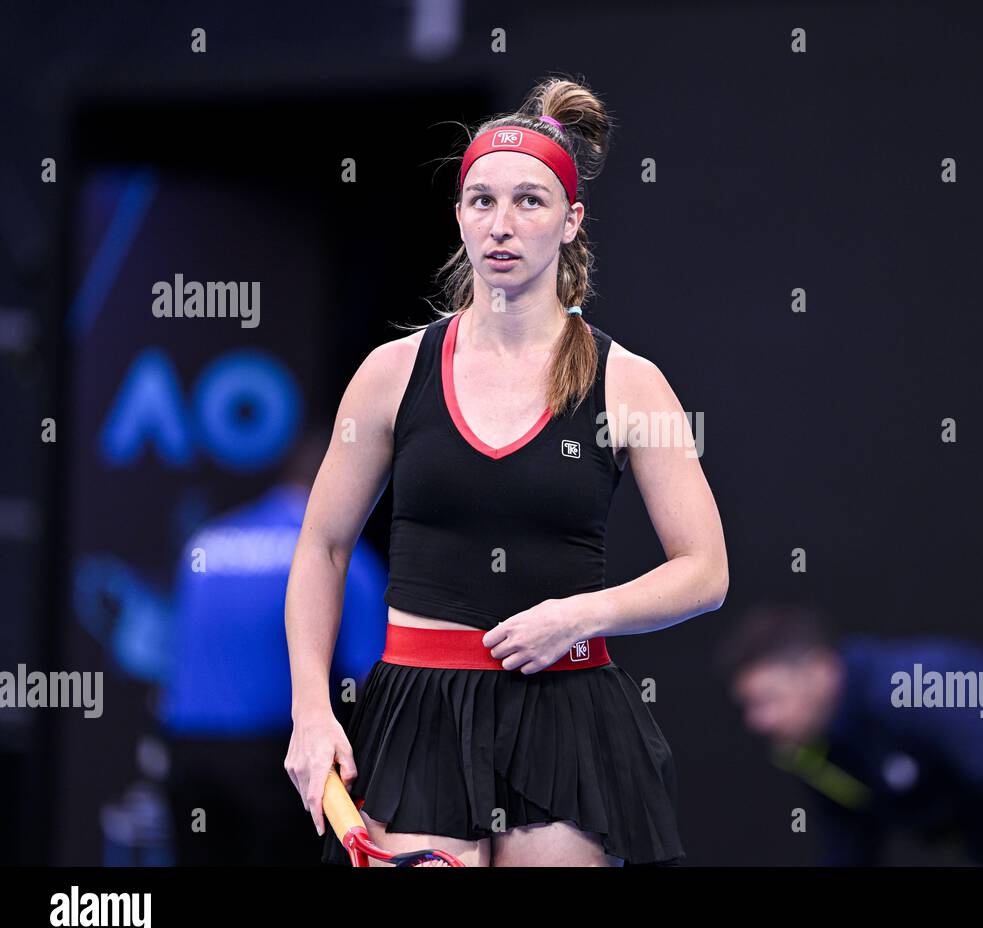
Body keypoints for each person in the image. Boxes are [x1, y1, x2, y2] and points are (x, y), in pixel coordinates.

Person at [284, 76, 728, 867]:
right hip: (416, 711)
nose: (502, 224)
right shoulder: (393, 372)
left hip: (567, 710)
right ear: (458, 216)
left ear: (571, 220)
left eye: (529, 201)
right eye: (482, 201)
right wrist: (311, 711)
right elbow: (320, 546)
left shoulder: (629, 380)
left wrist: (579, 615)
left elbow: (705, 571)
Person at [162, 422, 387, 865]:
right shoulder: (336, 558)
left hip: (187, 756)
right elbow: (374, 680)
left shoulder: (208, 540)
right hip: (276, 761)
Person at [718, 604, 983, 866]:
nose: (758, 722)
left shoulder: (914, 686)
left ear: (818, 671)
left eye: (768, 700)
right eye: (748, 706)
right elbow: (849, 849)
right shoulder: (815, 749)